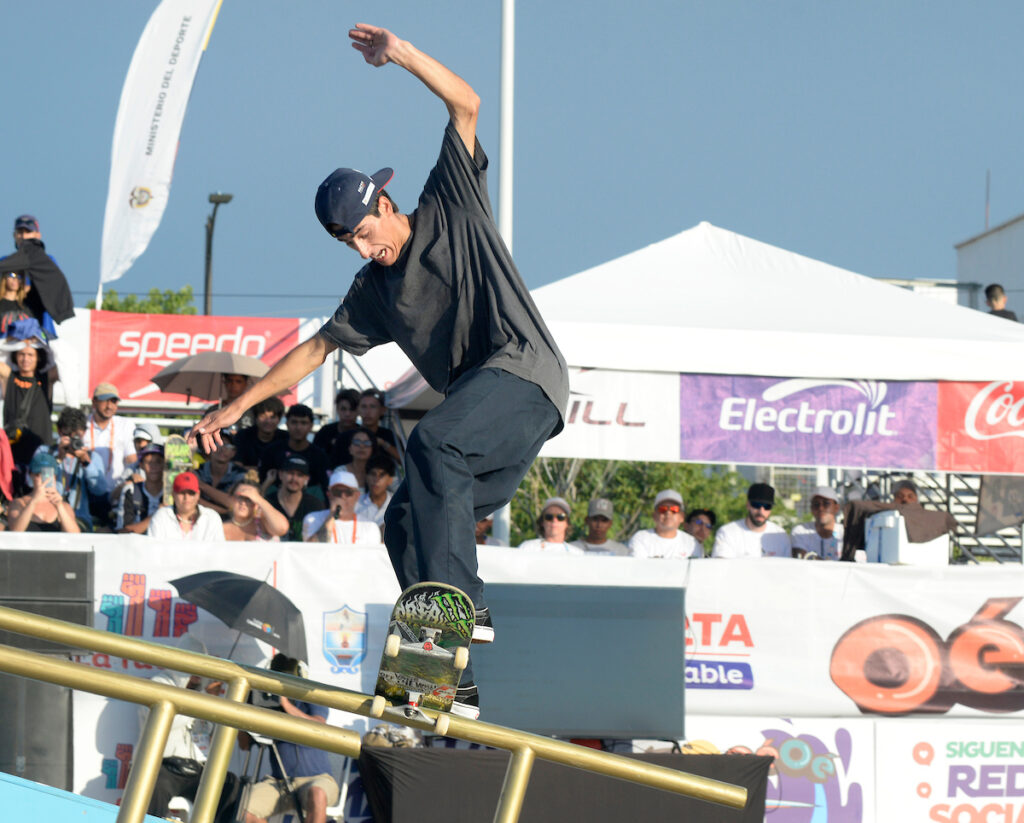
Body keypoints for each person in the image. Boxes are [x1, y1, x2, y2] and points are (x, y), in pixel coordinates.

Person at [190, 23, 568, 721]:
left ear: (387, 206)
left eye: (368, 232)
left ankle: (463, 609)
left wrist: (402, 56)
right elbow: (315, 349)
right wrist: (237, 408)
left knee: (432, 443)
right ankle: (445, 670)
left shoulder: (451, 203)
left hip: (523, 373)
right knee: (401, 522)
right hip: (492, 424)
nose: (366, 249)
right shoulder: (372, 290)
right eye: (350, 243)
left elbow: (467, 105)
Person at [139, 633, 234, 820]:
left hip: (198, 768)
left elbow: (212, 736)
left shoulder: (204, 694)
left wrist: (214, 700)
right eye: (193, 667)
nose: (198, 675)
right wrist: (203, 701)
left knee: (230, 785)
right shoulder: (160, 683)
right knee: (153, 785)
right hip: (165, 765)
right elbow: (165, 723)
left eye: (202, 668)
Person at [238, 654, 339, 823]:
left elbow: (319, 725)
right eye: (279, 679)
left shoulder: (314, 695)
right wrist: (243, 710)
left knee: (318, 794)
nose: (283, 684)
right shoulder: (268, 703)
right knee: (242, 809)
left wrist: (286, 705)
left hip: (317, 779)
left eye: (287, 678)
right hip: (279, 784)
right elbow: (243, 745)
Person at [0, 214, 75, 339]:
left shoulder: (47, 262)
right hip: (7, 329)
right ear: (14, 236)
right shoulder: (4, 262)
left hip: (39, 330)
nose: (23, 236)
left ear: (38, 235)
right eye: (20, 232)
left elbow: (53, 289)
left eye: (28, 232)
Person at [2, 319, 57, 466]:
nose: (25, 359)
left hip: (41, 452)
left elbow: (66, 360)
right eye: (21, 354)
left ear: (39, 357)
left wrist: (40, 340)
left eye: (30, 354)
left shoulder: (47, 378)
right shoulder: (9, 377)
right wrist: (12, 339)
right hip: (13, 451)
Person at [84, 381, 136, 525]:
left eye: (113, 401)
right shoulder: (83, 424)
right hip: (86, 492)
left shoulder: (124, 425)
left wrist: (125, 485)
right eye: (105, 400)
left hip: (115, 493)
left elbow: (132, 460)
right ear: (94, 402)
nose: (109, 406)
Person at [258, 404, 330, 494]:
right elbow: (261, 484)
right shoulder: (271, 452)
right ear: (287, 424)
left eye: (303, 423)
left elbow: (324, 488)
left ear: (311, 426)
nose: (298, 427)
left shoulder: (319, 456)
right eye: (294, 422)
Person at [712, 482, 792, 558]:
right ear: (748, 505)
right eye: (756, 505)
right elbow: (722, 568)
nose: (761, 511)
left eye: (767, 506)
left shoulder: (781, 536)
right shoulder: (727, 533)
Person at [302, 469, 381, 545]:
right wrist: (331, 518)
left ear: (357, 496)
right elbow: (311, 552)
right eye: (337, 492)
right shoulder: (312, 519)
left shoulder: (370, 527)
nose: (343, 497)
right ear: (329, 495)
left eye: (348, 492)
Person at [6, 451, 80, 532]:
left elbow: (75, 536)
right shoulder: (19, 503)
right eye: (38, 474)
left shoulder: (64, 506)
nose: (44, 479)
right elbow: (16, 531)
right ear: (31, 475)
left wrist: (59, 506)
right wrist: (33, 502)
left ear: (55, 477)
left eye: (48, 474)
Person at [147, 471, 226, 541]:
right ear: (173, 494)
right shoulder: (161, 516)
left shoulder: (211, 518)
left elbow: (218, 553)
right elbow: (154, 551)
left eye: (191, 493)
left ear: (198, 495)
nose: (186, 497)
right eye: (182, 493)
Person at [628, 490, 702, 559]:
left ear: (682, 517)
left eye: (674, 509)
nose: (668, 513)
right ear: (654, 516)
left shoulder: (692, 544)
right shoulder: (641, 539)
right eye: (662, 509)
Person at [266, 456, 324, 542]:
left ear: (306, 479)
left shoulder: (315, 505)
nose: (294, 479)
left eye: (300, 475)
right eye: (290, 473)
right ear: (280, 474)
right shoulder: (268, 503)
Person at [223, 471, 289, 542]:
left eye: (249, 499)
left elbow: (282, 528)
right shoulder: (221, 528)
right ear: (231, 499)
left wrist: (258, 499)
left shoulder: (263, 524)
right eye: (240, 497)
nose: (243, 503)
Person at [115, 443, 165, 534]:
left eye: (158, 462)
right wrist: (158, 514)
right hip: (136, 546)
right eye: (148, 462)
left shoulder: (172, 493)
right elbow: (122, 532)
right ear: (141, 465)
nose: (153, 466)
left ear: (164, 464)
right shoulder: (130, 490)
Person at [196, 429, 248, 515]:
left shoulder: (241, 474)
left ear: (233, 452)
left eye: (228, 446)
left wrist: (201, 485)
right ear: (208, 447)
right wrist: (225, 511)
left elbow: (235, 504)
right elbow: (193, 501)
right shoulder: (198, 471)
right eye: (216, 444)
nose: (222, 449)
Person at [233, 397, 287, 470]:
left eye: (272, 417)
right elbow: (236, 466)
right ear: (255, 417)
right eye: (263, 416)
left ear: (279, 419)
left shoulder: (286, 438)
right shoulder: (243, 435)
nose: (268, 421)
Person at [790, 486, 844, 560]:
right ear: (811, 508)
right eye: (816, 504)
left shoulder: (845, 532)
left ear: (836, 507)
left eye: (826, 503)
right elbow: (800, 558)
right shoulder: (800, 531)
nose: (821, 508)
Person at [517, 497, 582, 554]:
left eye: (560, 517)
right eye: (549, 517)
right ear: (542, 522)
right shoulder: (528, 547)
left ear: (567, 523)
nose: (554, 520)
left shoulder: (577, 553)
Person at [312, 387, 360, 462]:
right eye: (343, 409)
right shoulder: (325, 433)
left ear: (358, 411)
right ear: (337, 409)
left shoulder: (363, 435)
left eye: (352, 409)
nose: (347, 414)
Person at [355, 388, 399, 460]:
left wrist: (384, 444)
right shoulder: (349, 435)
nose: (367, 412)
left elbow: (404, 461)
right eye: (364, 406)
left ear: (382, 410)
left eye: (372, 406)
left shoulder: (389, 436)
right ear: (358, 409)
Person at [355, 453, 396, 526]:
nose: (376, 480)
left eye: (382, 475)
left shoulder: (397, 504)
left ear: (390, 479)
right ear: (366, 477)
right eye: (373, 474)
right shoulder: (355, 504)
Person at [0, 269, 32, 335]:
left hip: (25, 343)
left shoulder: (27, 306)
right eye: (12, 275)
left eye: (19, 277)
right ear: (4, 278)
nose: (15, 279)